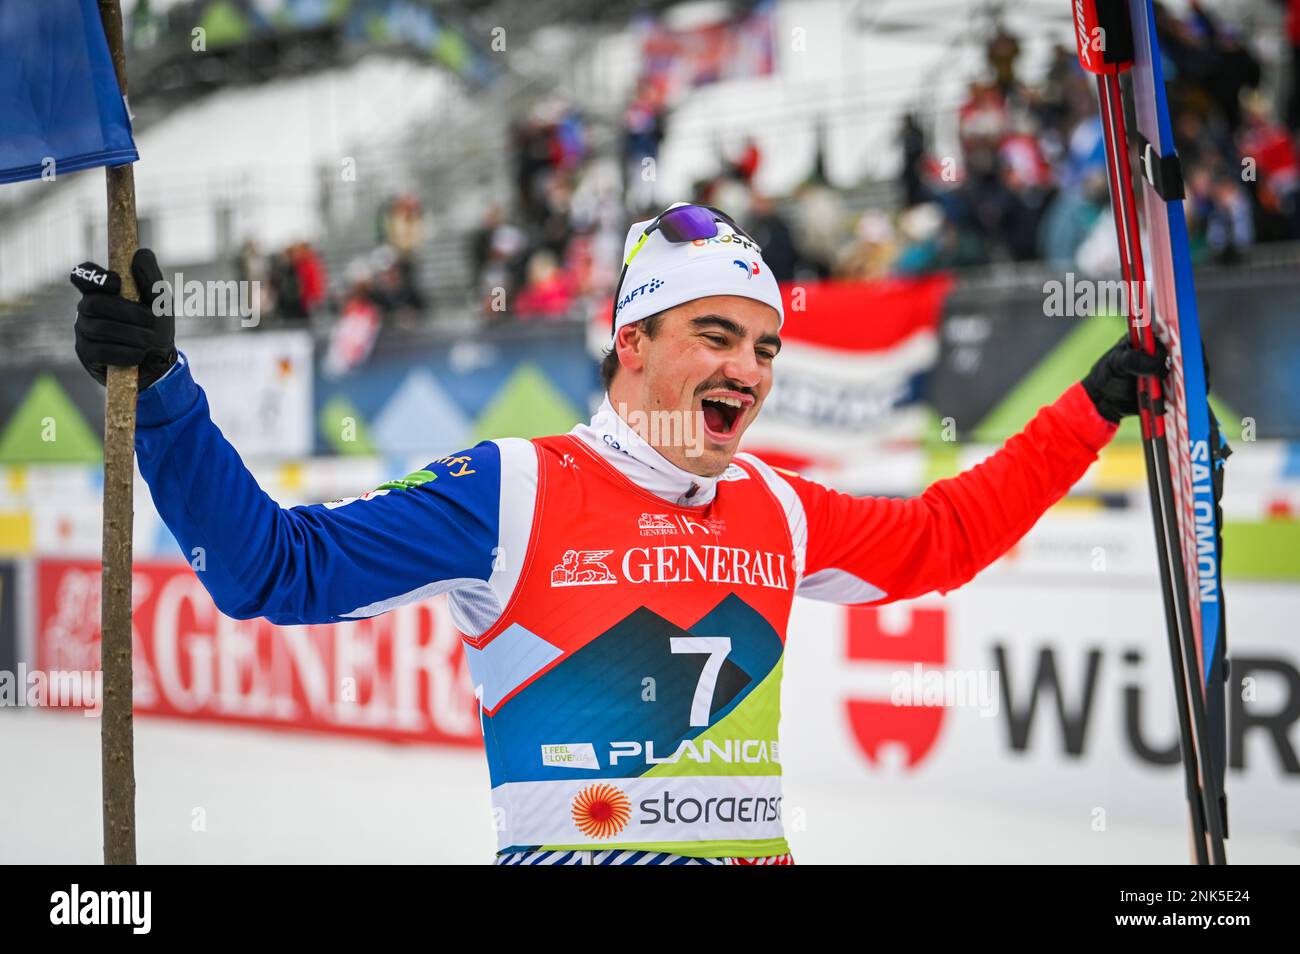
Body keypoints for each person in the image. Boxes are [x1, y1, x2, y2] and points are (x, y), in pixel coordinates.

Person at [68, 204, 1163, 865]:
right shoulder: (513, 489)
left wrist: (1091, 406)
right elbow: (275, 569)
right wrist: (160, 390)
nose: (748, 368)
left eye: (768, 347)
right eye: (717, 334)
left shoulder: (777, 509)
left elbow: (944, 536)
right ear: (631, 343)